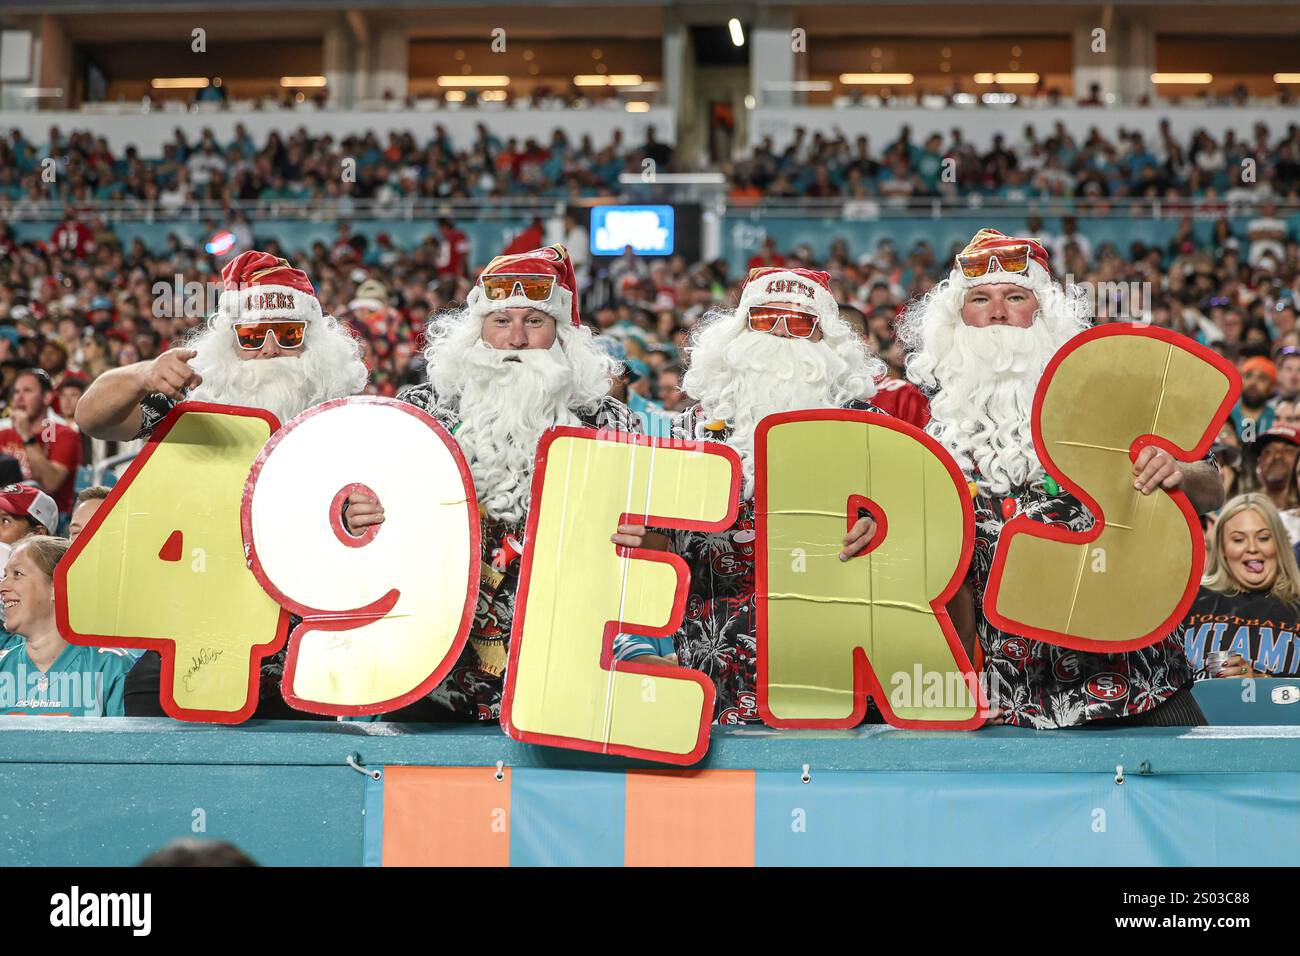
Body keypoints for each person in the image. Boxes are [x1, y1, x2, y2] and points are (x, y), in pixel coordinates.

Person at [901, 227, 1223, 728]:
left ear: (1044, 313)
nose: (998, 312)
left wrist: (1179, 470)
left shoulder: (1109, 397)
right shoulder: (932, 436)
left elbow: (1213, 486)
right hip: (1016, 704)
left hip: (1139, 689)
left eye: (1015, 296)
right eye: (980, 298)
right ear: (957, 320)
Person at [73, 251, 374, 719]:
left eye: (289, 334)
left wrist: (370, 515)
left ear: (313, 344)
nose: (270, 350)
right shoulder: (192, 407)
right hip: (189, 639)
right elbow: (94, 417)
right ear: (228, 343)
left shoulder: (352, 424)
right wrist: (141, 374)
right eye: (253, 336)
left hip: (303, 654)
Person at [395, 243, 641, 720]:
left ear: (561, 334)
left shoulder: (608, 420)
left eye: (535, 321)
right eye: (501, 321)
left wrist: (644, 534)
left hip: (562, 655)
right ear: (478, 331)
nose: (516, 340)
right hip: (433, 661)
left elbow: (649, 530)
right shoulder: (423, 409)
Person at [647, 267, 886, 723]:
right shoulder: (691, 429)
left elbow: (913, 522)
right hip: (717, 665)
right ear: (735, 332)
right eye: (763, 319)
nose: (779, 334)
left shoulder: (869, 426)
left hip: (837, 661)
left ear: (827, 342)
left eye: (799, 323)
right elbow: (658, 541)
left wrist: (883, 523)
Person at [0, 536, 133, 716]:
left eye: (17, 574)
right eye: (5, 575)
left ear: (58, 585)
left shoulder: (111, 667)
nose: (3, 586)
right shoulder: (3, 665)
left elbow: (129, 744)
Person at [1185, 494, 1300, 679]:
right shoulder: (1191, 600)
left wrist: (1258, 680)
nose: (1252, 548)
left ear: (1279, 544)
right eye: (1238, 540)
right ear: (1222, 550)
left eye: (1263, 538)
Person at [0, 369, 82, 524]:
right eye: (16, 392)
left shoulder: (65, 435)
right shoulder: (4, 434)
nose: (19, 398)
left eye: (27, 391)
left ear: (47, 397)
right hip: (7, 516)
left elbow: (49, 483)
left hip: (48, 522)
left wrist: (26, 436)